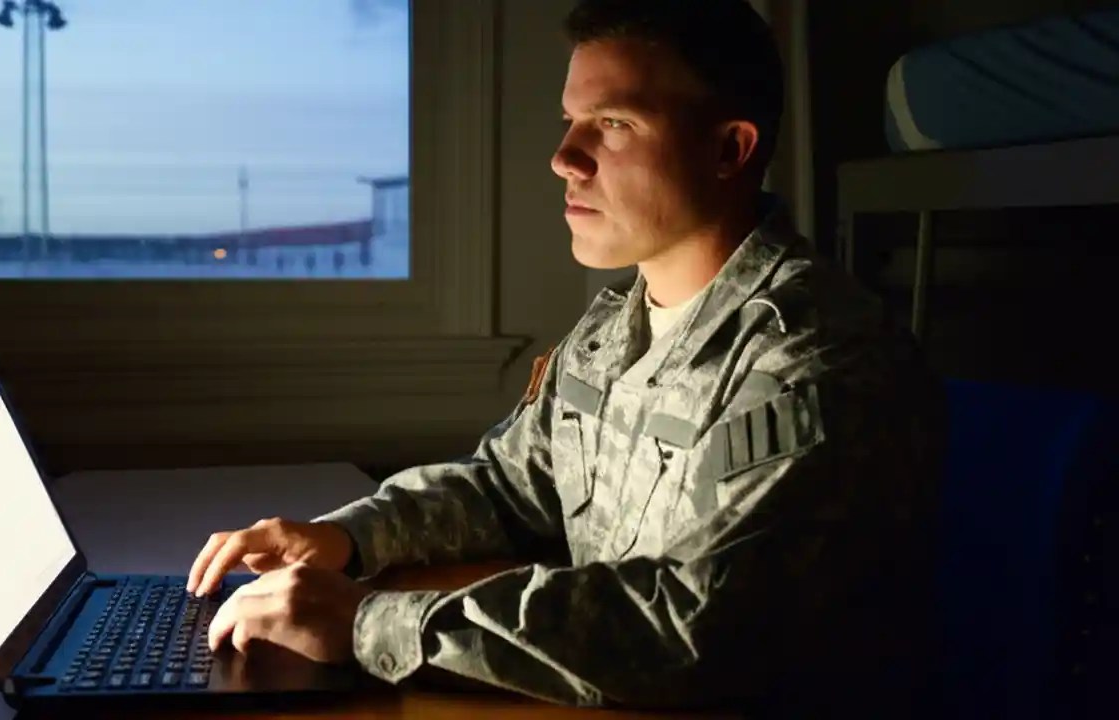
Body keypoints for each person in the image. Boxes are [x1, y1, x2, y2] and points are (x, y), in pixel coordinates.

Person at [186, 0, 945, 713]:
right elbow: (513, 487)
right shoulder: (615, 326)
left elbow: (693, 631)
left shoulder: (812, 362)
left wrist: (369, 625)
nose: (562, 158)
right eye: (570, 121)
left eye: (612, 124)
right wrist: (349, 538)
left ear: (728, 149)